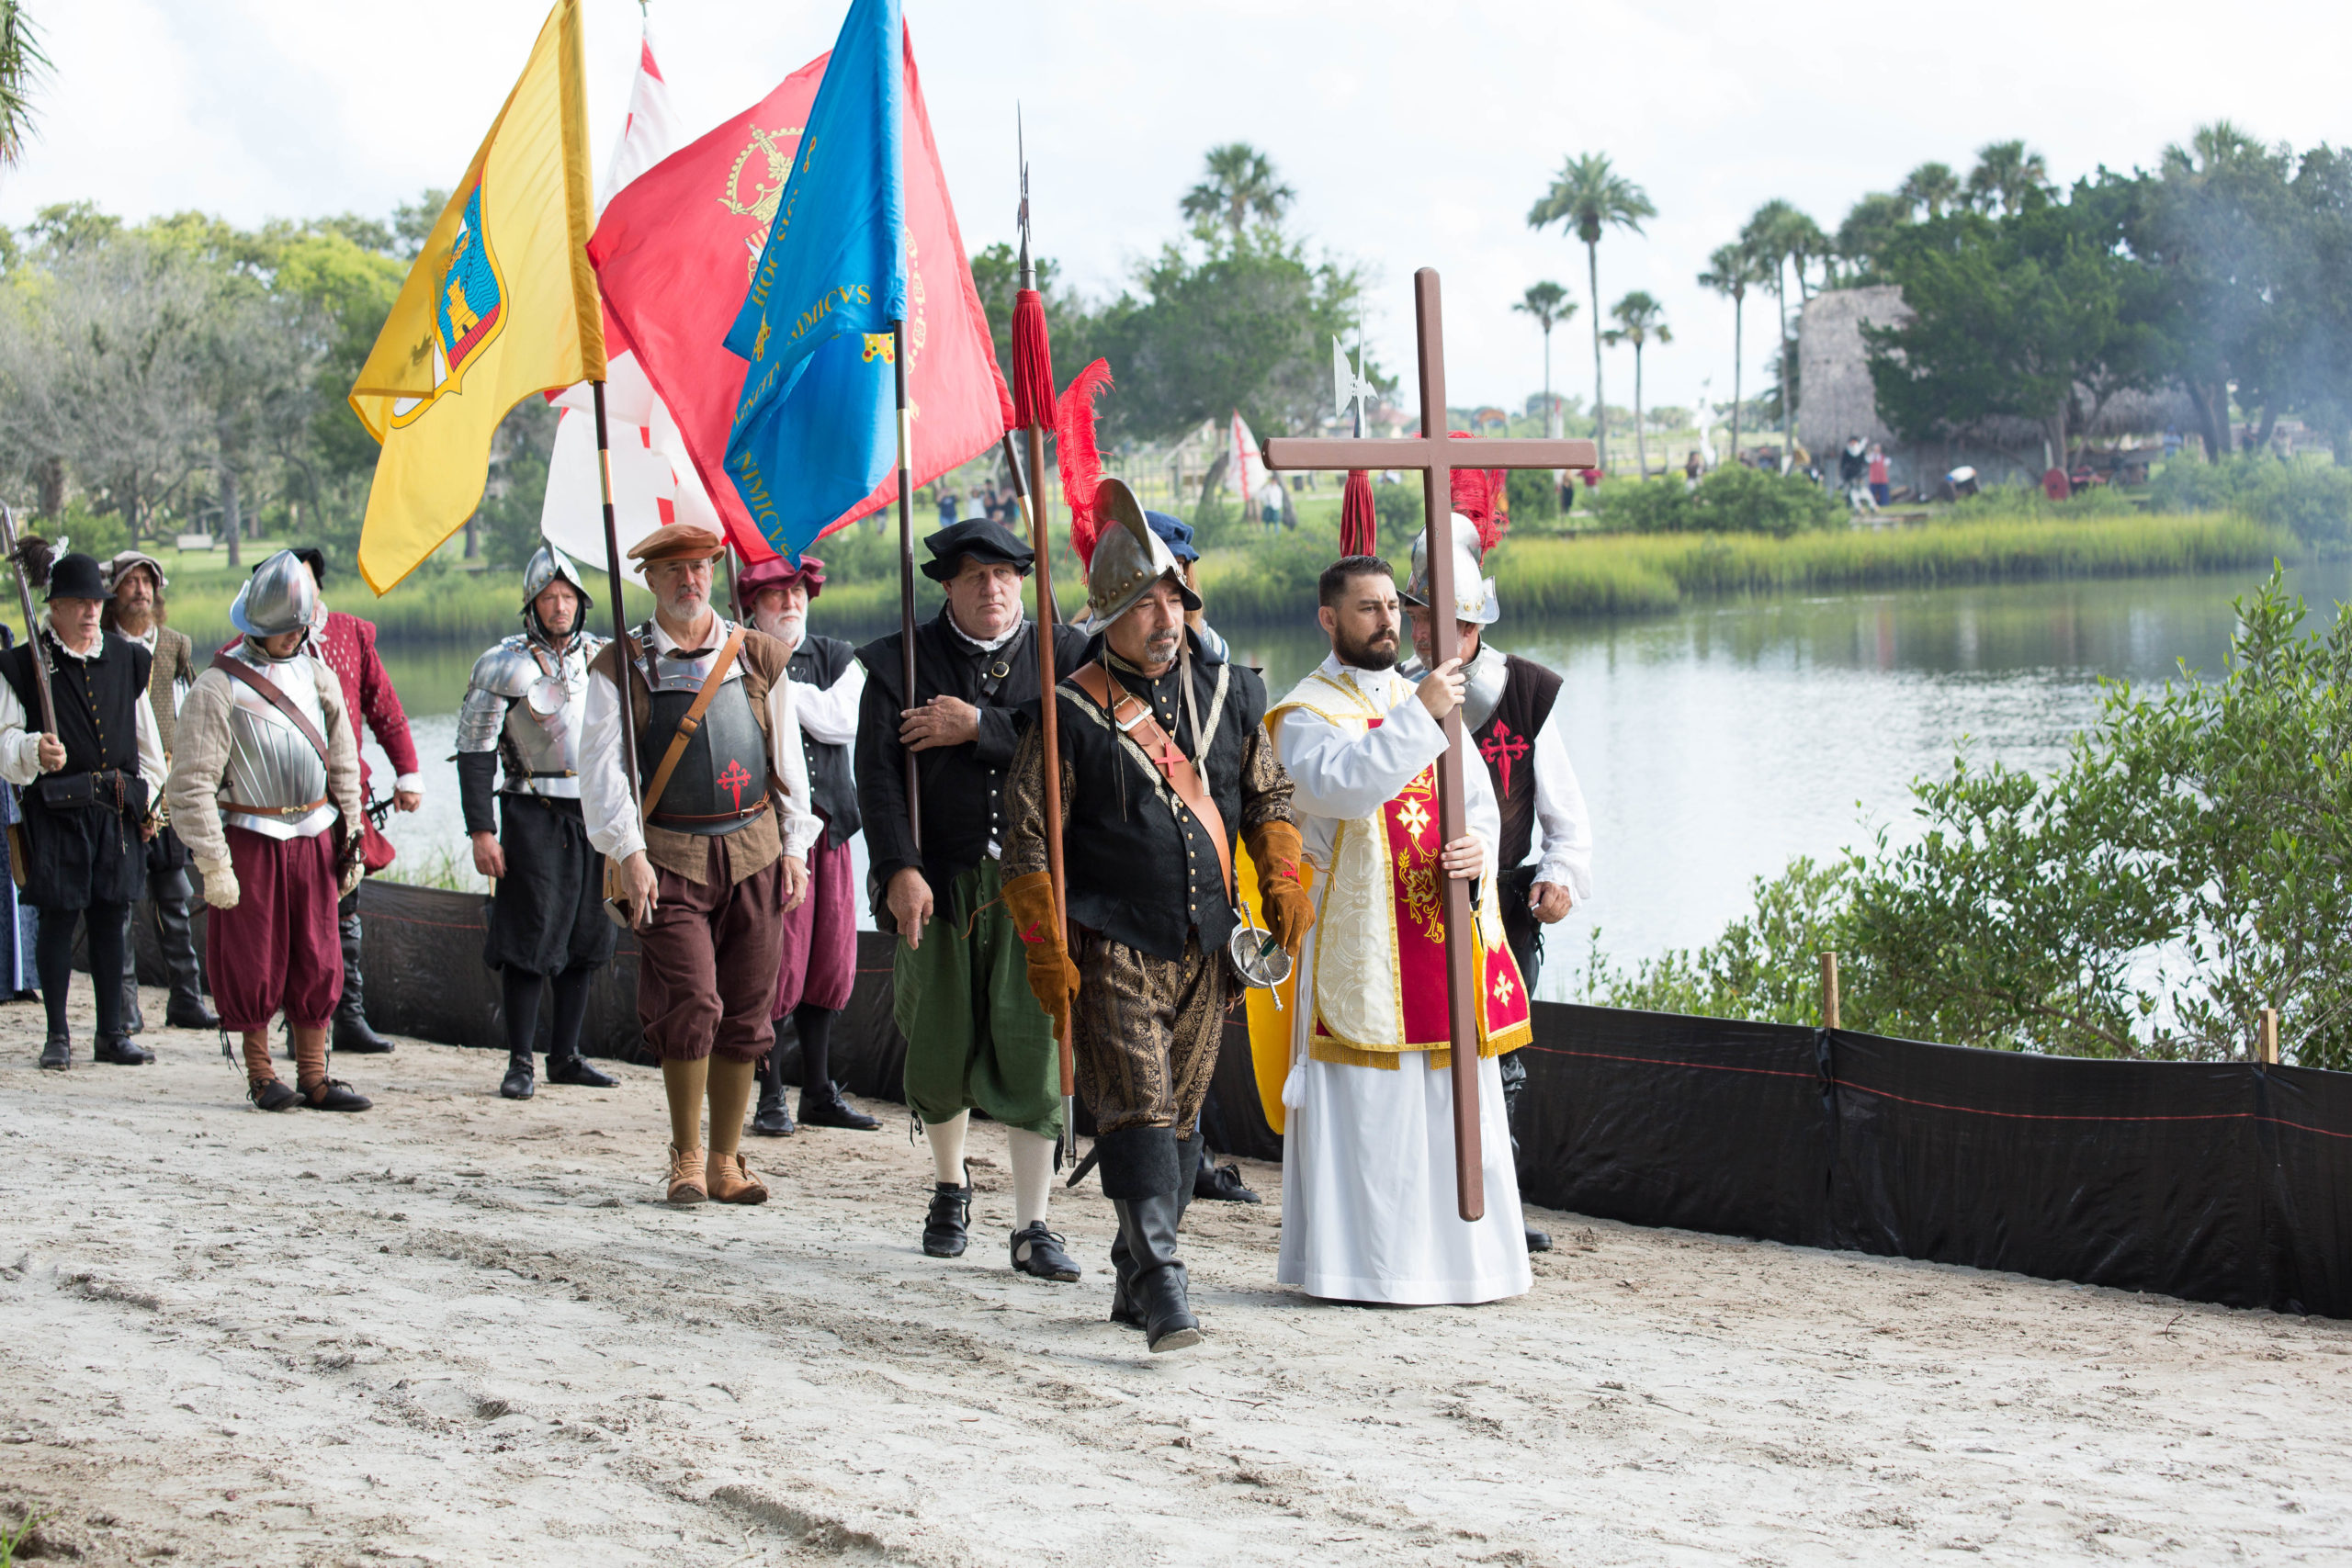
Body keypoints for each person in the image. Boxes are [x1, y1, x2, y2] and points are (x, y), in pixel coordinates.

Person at [1003, 480, 1310, 1350]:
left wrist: (1283, 875)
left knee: (1179, 1120)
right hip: (1113, 946)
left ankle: (1136, 1273)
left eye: (1174, 597)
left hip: (1208, 947)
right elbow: (1027, 842)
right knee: (1138, 1105)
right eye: (1145, 601)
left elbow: (1268, 795)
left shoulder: (1233, 696)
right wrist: (1044, 949)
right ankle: (1169, 1286)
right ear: (1109, 613)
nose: (1164, 615)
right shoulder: (1065, 713)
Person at [1268, 552, 1534, 1305]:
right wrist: (1421, 712)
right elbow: (1345, 787)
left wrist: (1479, 849)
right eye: (1368, 609)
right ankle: (1368, 1271)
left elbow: (1476, 800)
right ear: (1329, 619)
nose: (1389, 621)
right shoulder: (1304, 713)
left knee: (1454, 1101)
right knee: (1376, 1113)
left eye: (1393, 606)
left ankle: (1468, 1265)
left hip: (1440, 931)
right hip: (1361, 940)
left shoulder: (1428, 697)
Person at [855, 516, 1089, 1275]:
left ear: (1020, 580)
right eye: (974, 577)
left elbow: (1076, 740)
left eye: (1004, 575)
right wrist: (898, 868)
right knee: (940, 1039)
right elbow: (880, 780)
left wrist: (979, 726)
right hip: (941, 881)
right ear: (948, 586)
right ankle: (950, 1186)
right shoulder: (901, 662)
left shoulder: (1067, 655)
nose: (992, 588)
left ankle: (1033, 1223)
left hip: (1034, 884)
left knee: (1034, 1046)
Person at [582, 525, 818, 1206]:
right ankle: (685, 1157)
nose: (690, 580)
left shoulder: (762, 656)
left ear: (715, 572)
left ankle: (725, 1161)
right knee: (691, 998)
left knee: (747, 1006)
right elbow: (603, 771)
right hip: (667, 855)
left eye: (701, 568)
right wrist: (627, 851)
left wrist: (796, 848)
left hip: (755, 849)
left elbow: (788, 762)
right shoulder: (617, 667)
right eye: (675, 570)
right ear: (651, 581)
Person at [1399, 519, 1595, 1255]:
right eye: (1420, 613)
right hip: (1408, 907)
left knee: (1502, 1061)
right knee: (1418, 1055)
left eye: (1446, 618)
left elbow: (1564, 816)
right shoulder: (1389, 693)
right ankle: (1428, 1203)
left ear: (1475, 619)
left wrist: (1559, 879)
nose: (1430, 630)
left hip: (1500, 909)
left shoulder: (1526, 692)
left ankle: (1500, 1205)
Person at [167, 551, 369, 1111]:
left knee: (318, 952)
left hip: (312, 832)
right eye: (282, 629)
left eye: (298, 628)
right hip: (249, 838)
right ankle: (261, 1073)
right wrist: (213, 861)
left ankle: (314, 1075)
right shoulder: (217, 687)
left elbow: (344, 765)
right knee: (251, 955)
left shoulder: (317, 675)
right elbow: (190, 785)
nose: (292, 637)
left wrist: (351, 836)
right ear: (256, 626)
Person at [455, 543, 620, 1101]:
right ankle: (520, 1060)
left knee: (587, 934)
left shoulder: (606, 655)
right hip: (531, 813)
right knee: (530, 935)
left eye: (568, 596)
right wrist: (482, 830)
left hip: (595, 811)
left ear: (582, 602)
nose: (560, 607)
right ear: (532, 603)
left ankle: (566, 1056)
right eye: (549, 597)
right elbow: (475, 751)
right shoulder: (501, 664)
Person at [0, 550, 168, 1069]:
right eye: (78, 603)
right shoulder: (22, 665)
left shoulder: (127, 658)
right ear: (54, 607)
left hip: (115, 812)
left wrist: (150, 808)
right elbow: (5, 744)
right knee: (58, 918)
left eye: (95, 601)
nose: (91, 611)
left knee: (111, 918)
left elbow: (148, 748)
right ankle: (57, 1035)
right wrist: (33, 750)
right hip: (57, 814)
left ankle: (111, 1034)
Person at [738, 551, 877, 1137]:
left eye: (798, 592)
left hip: (832, 833)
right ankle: (769, 1093)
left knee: (827, 961)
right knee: (774, 963)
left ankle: (817, 1090)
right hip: (767, 836)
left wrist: (779, 683)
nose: (790, 602)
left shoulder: (836, 658)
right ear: (752, 606)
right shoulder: (734, 659)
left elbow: (841, 723)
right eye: (775, 595)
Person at [287, 548, 421, 1056]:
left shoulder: (350, 634)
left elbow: (385, 710)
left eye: (302, 580)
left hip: (345, 800)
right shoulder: (248, 646)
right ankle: (299, 1022)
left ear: (317, 584)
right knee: (292, 914)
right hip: (281, 803)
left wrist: (408, 773)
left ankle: (350, 1019)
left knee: (346, 908)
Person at [102, 551, 217, 1034]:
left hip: (165, 789)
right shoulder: (101, 646)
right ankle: (124, 1007)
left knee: (173, 895)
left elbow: (200, 701)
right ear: (114, 592)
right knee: (122, 901)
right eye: (132, 583)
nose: (141, 592)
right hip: (118, 788)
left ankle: (186, 1000)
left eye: (148, 583)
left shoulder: (174, 644)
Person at [1867, 444, 1891, 508]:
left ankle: (1884, 504)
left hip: (1882, 479)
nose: (1877, 450)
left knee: (1884, 494)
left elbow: (1886, 468)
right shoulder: (1871, 457)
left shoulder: (1884, 457)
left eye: (1878, 449)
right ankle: (1872, 505)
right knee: (1872, 494)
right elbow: (1868, 460)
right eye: (1875, 449)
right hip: (1873, 479)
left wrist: (1886, 476)